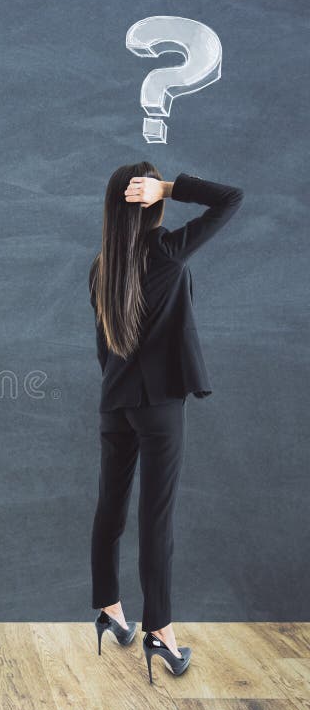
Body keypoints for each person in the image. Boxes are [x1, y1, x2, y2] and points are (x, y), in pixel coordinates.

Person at [89, 164, 243, 683]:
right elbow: (230, 198)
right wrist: (173, 188)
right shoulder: (167, 250)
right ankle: (162, 632)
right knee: (156, 519)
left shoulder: (101, 266)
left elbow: (101, 348)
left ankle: (110, 609)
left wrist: (119, 387)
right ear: (150, 202)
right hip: (159, 407)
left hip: (116, 402)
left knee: (110, 506)